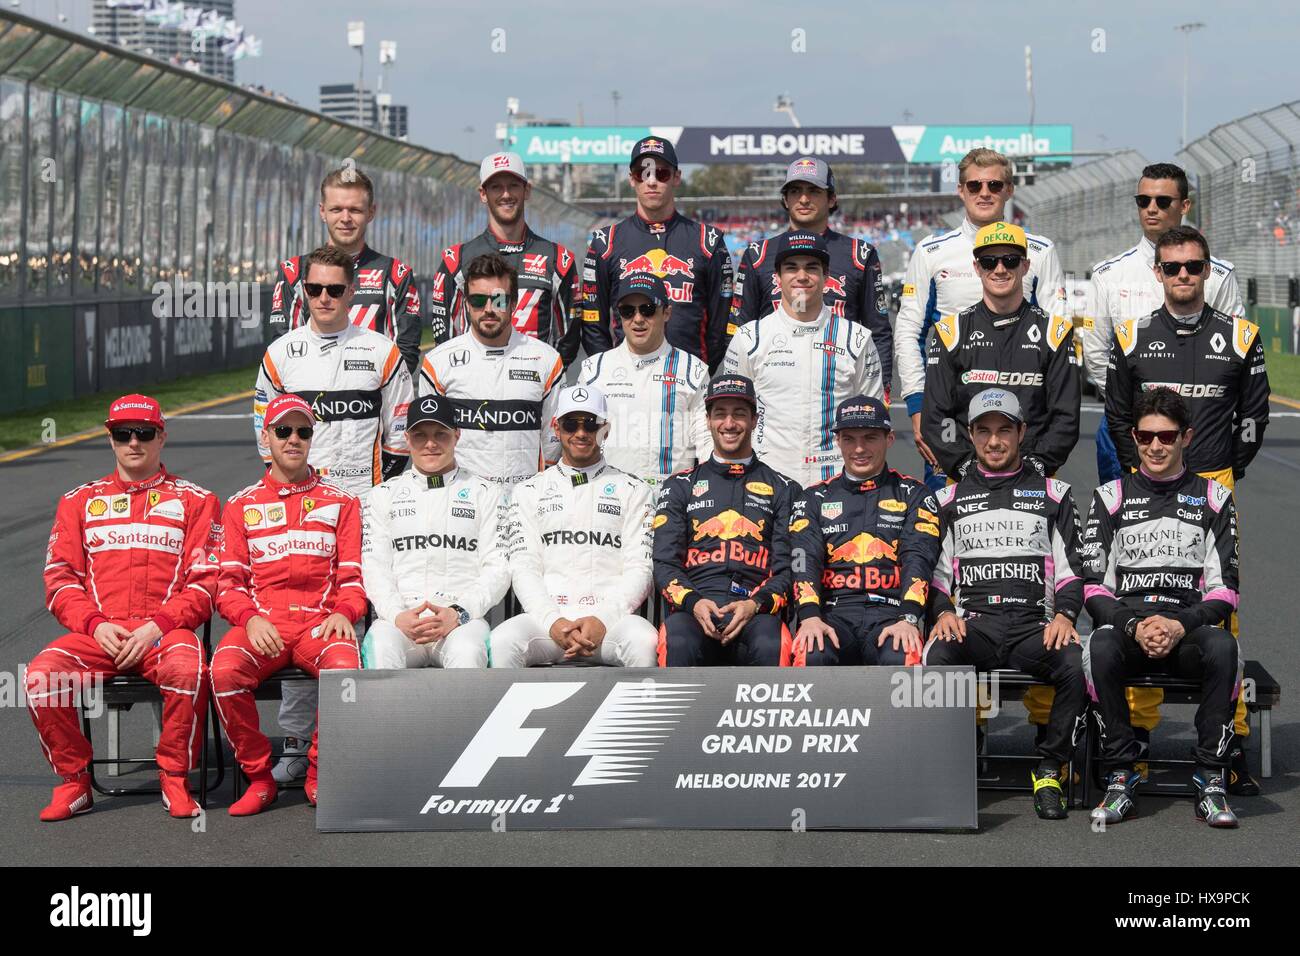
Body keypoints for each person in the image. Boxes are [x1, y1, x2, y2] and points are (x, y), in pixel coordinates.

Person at [1105, 223, 1269, 794]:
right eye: (1172, 267)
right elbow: (1118, 421)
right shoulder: (1130, 335)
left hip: (1213, 481)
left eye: (1192, 267)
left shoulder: (1241, 335)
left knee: (1223, 611)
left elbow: (1252, 421)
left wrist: (1222, 472)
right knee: (1141, 598)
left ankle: (1232, 740)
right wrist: (1145, 472)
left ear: (1207, 270)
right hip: (1144, 484)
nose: (1182, 276)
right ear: (1157, 272)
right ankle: (1141, 733)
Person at [254, 244, 413, 782]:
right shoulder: (280, 355)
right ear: (304, 293)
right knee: (299, 615)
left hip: (365, 506)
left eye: (335, 289)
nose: (325, 298)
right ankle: (299, 742)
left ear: (353, 292)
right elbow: (264, 439)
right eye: (315, 289)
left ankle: (355, 734)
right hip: (298, 509)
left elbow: (401, 434)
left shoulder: (384, 352)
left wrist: (377, 495)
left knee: (361, 619)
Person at [26, 395, 220, 821]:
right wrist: (94, 625)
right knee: (41, 676)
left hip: (163, 634)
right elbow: (59, 580)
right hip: (100, 634)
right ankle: (74, 782)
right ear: (110, 437)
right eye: (122, 433)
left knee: (191, 669)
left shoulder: (197, 500)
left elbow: (206, 585)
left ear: (162, 437)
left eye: (144, 433)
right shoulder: (78, 501)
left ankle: (174, 777)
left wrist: (157, 626)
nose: (134, 442)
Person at [923, 389, 1087, 821]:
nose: (994, 441)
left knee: (1076, 661)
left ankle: (1051, 768)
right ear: (971, 436)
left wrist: (1066, 615)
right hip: (974, 625)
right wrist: (942, 611)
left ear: (1021, 433)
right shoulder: (948, 499)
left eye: (1003, 431)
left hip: (1034, 625)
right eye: (984, 432)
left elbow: (1072, 572)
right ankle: (953, 769)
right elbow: (936, 576)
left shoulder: (1055, 494)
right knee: (937, 654)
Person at [1084, 388, 1242, 828]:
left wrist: (1178, 624)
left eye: (1167, 437)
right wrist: (1134, 625)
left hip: (1187, 629)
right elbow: (1093, 588)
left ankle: (1212, 780)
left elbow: (1226, 590)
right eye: (1146, 436)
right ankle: (1120, 774)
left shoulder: (1215, 497)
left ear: (1186, 437)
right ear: (1134, 438)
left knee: (1225, 648)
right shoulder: (1109, 497)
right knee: (1099, 647)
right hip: (1130, 628)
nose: (1156, 446)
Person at [211, 395, 366, 814]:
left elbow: (353, 580)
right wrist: (249, 618)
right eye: (283, 431)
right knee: (223, 673)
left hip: (320, 624)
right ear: (266, 437)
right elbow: (228, 584)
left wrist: (343, 611)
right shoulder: (241, 505)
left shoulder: (343, 501)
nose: (293, 439)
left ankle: (318, 771)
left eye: (303, 431)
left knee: (346, 672)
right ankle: (260, 778)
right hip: (264, 625)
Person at [894, 147, 1065, 490]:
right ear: (961, 190)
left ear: (1009, 190)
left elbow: (1056, 339)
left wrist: (1050, 421)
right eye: (974, 186)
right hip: (952, 417)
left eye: (994, 185)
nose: (984, 193)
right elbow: (908, 331)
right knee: (948, 528)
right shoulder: (931, 251)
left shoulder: (1040, 250)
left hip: (1023, 416)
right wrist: (916, 406)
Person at [1086, 163, 1244, 483]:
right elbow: (1095, 353)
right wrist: (1141, 411)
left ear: (1184, 206)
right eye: (1143, 201)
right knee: (1124, 527)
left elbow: (1235, 356)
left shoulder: (1220, 275)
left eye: (1162, 202)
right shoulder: (1108, 275)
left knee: (1202, 528)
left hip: (1199, 427)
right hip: (1128, 424)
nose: (1151, 209)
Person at [490, 386, 657, 668]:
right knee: (502, 642)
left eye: (591, 424)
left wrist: (601, 620)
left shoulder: (635, 490)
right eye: (571, 424)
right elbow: (523, 566)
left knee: (644, 642)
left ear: (606, 429)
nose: (581, 433)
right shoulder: (529, 491)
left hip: (611, 623)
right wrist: (553, 621)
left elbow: (640, 569)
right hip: (548, 623)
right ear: (556, 428)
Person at [654, 375, 799, 666]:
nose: (729, 424)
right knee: (678, 639)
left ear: (755, 419)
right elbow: (664, 564)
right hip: (695, 610)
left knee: (773, 641)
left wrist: (754, 605)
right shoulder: (678, 486)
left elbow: (790, 569)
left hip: (755, 613)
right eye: (720, 414)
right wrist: (694, 603)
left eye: (739, 414)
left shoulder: (786, 489)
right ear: (707, 420)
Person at [921, 220, 1080, 480]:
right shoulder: (950, 332)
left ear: (1026, 266)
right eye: (989, 262)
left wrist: (1035, 465)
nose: (1000, 269)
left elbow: (1066, 418)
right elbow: (937, 417)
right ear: (976, 268)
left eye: (1010, 260)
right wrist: (966, 466)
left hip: (1034, 477)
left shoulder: (1056, 332)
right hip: (967, 478)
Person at [360, 394, 509, 669]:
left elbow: (498, 568)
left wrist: (459, 613)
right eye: (420, 435)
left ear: (457, 435)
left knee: (467, 652)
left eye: (440, 434)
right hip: (401, 620)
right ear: (406, 439)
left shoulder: (487, 494)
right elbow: (374, 567)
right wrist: (396, 615)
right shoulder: (382, 495)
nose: (430, 444)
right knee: (381, 649)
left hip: (461, 622)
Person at [723, 231, 884, 486]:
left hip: (837, 484)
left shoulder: (857, 339)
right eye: (791, 268)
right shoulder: (749, 338)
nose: (801, 276)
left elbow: (873, 421)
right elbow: (732, 418)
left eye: (811, 267)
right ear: (777, 278)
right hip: (766, 484)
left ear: (826, 276)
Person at [790, 396, 941, 666]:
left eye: (870, 437)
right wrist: (809, 616)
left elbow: (919, 557)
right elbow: (804, 560)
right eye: (849, 438)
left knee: (903, 653)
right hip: (832, 616)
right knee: (812, 650)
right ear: (838, 441)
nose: (859, 448)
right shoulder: (812, 498)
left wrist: (908, 618)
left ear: (890, 439)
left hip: (892, 614)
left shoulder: (916, 494)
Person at [731, 157, 892, 392]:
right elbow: (739, 328)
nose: (804, 199)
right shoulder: (759, 254)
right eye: (795, 191)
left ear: (832, 198)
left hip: (839, 385)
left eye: (814, 191)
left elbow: (878, 333)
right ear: (785, 199)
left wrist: (883, 394)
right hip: (773, 386)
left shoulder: (860, 253)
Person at [581, 136, 734, 371]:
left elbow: (721, 324)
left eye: (661, 173)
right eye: (643, 173)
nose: (651, 182)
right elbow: (593, 324)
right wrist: (611, 374)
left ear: (676, 177)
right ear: (632, 179)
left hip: (689, 380)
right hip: (624, 380)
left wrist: (700, 371)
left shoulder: (709, 241)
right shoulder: (605, 243)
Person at [419, 253, 564, 486]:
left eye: (499, 300)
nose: (488, 309)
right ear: (466, 303)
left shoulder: (546, 360)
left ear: (514, 304)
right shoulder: (438, 363)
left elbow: (553, 441)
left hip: (524, 501)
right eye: (477, 301)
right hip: (462, 504)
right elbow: (431, 444)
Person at [430, 151, 582, 366]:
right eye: (496, 187)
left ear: (526, 190)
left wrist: (544, 377)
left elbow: (569, 337)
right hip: (473, 388)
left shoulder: (558, 259)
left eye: (513, 185)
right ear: (483, 194)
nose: (506, 194)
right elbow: (444, 337)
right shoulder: (456, 260)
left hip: (534, 390)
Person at [269, 167, 423, 376]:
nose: (346, 218)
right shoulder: (294, 272)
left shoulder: (396, 274)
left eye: (355, 210)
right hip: (309, 398)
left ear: (371, 212)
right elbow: (282, 349)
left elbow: (405, 354)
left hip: (372, 401)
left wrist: (360, 391)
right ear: (322, 211)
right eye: (336, 209)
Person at [577, 271, 711, 486]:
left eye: (648, 310)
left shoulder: (693, 370)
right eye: (628, 311)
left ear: (667, 312)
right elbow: (577, 442)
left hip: (670, 503)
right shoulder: (594, 370)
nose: (638, 319)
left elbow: (707, 443)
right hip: (609, 499)